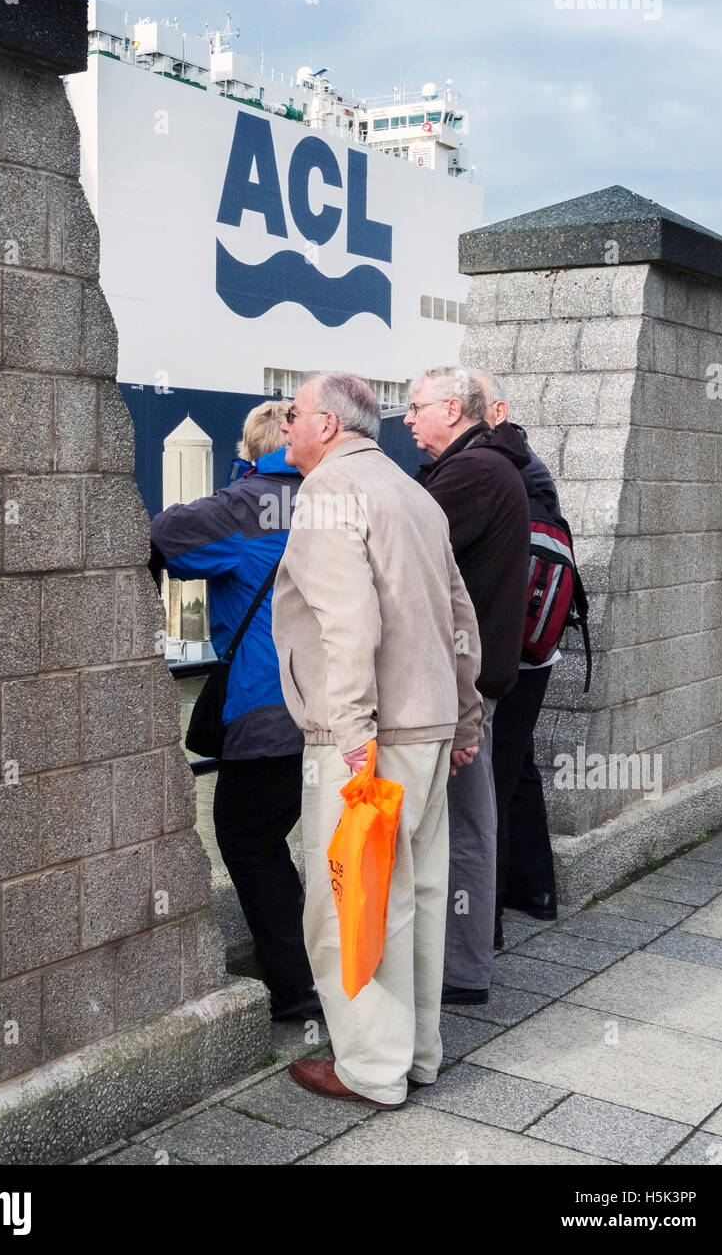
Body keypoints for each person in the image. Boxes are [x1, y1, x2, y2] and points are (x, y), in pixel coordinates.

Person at [272, 372, 482, 1109]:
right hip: (427, 726)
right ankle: (417, 1053)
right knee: (416, 896)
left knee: (350, 902)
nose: (285, 424)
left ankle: (369, 1068)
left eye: (293, 412)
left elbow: (348, 620)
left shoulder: (330, 490)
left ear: (328, 424)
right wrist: (465, 717)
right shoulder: (414, 493)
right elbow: (460, 615)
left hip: (367, 735)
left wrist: (354, 729)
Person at [150, 401, 317, 1021]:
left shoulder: (247, 505)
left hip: (267, 704)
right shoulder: (331, 501)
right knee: (298, 835)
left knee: (247, 839)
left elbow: (162, 535)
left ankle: (298, 989)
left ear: (249, 452)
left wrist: (239, 480)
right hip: (335, 709)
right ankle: (332, 969)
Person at [405, 366, 529, 1001]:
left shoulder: (473, 472)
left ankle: (458, 971)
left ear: (452, 409)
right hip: (476, 679)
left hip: (461, 686)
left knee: (461, 829)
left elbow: (399, 550)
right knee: (469, 824)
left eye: (416, 406)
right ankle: (463, 964)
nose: (407, 418)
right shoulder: (491, 465)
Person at [473, 371, 561, 936]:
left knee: (493, 779)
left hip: (505, 648)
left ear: (497, 411)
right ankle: (536, 888)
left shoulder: (496, 469)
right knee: (517, 766)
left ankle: (489, 918)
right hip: (537, 646)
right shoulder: (531, 466)